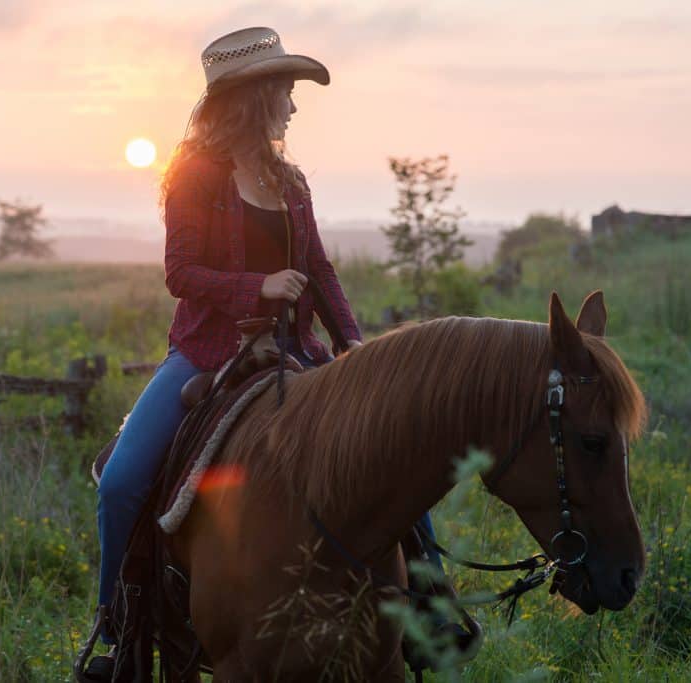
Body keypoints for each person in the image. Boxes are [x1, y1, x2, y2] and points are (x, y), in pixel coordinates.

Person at [84, 26, 459, 679]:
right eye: (284, 89)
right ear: (252, 96)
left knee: (396, 459)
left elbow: (318, 266)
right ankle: (118, 623)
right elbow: (180, 273)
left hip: (296, 351)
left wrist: (352, 343)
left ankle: (429, 604)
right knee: (120, 481)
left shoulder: (290, 179)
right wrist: (255, 285)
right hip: (207, 353)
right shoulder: (194, 176)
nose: (291, 102)